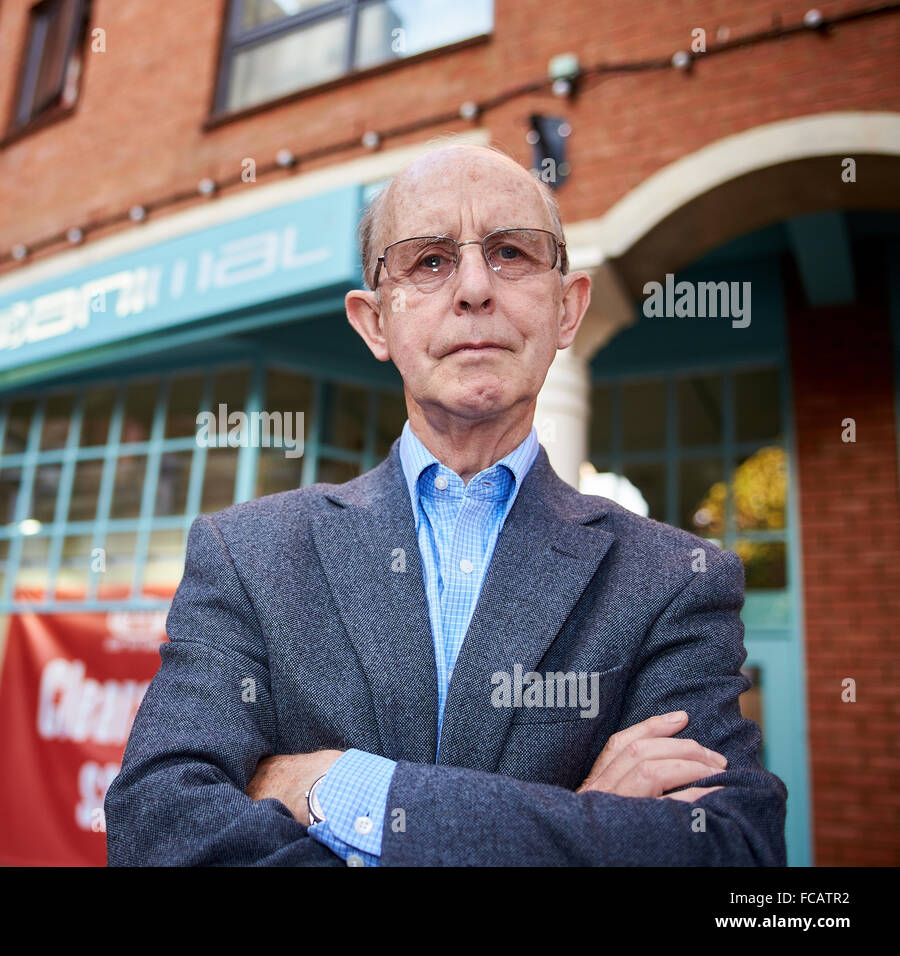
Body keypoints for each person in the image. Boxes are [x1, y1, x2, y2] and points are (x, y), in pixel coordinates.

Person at [103, 144, 787, 865]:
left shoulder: (676, 576)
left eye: (512, 253)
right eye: (428, 260)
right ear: (374, 322)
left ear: (567, 309)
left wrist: (345, 788)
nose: (472, 289)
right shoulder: (248, 555)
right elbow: (157, 826)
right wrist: (583, 821)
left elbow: (733, 852)